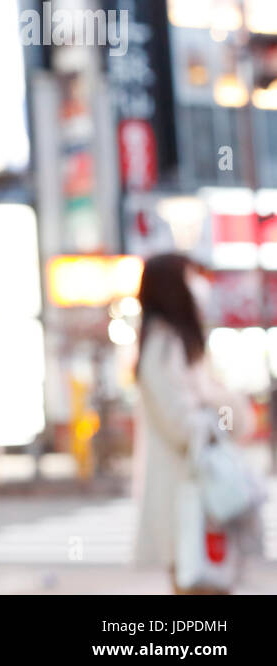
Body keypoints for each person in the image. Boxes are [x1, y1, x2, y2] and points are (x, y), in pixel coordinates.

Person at [130, 253, 257, 594]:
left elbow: (224, 418)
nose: (198, 287)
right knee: (199, 584)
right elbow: (183, 424)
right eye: (190, 277)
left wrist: (221, 406)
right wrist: (220, 405)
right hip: (185, 496)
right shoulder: (163, 349)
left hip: (200, 494)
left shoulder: (181, 346)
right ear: (174, 288)